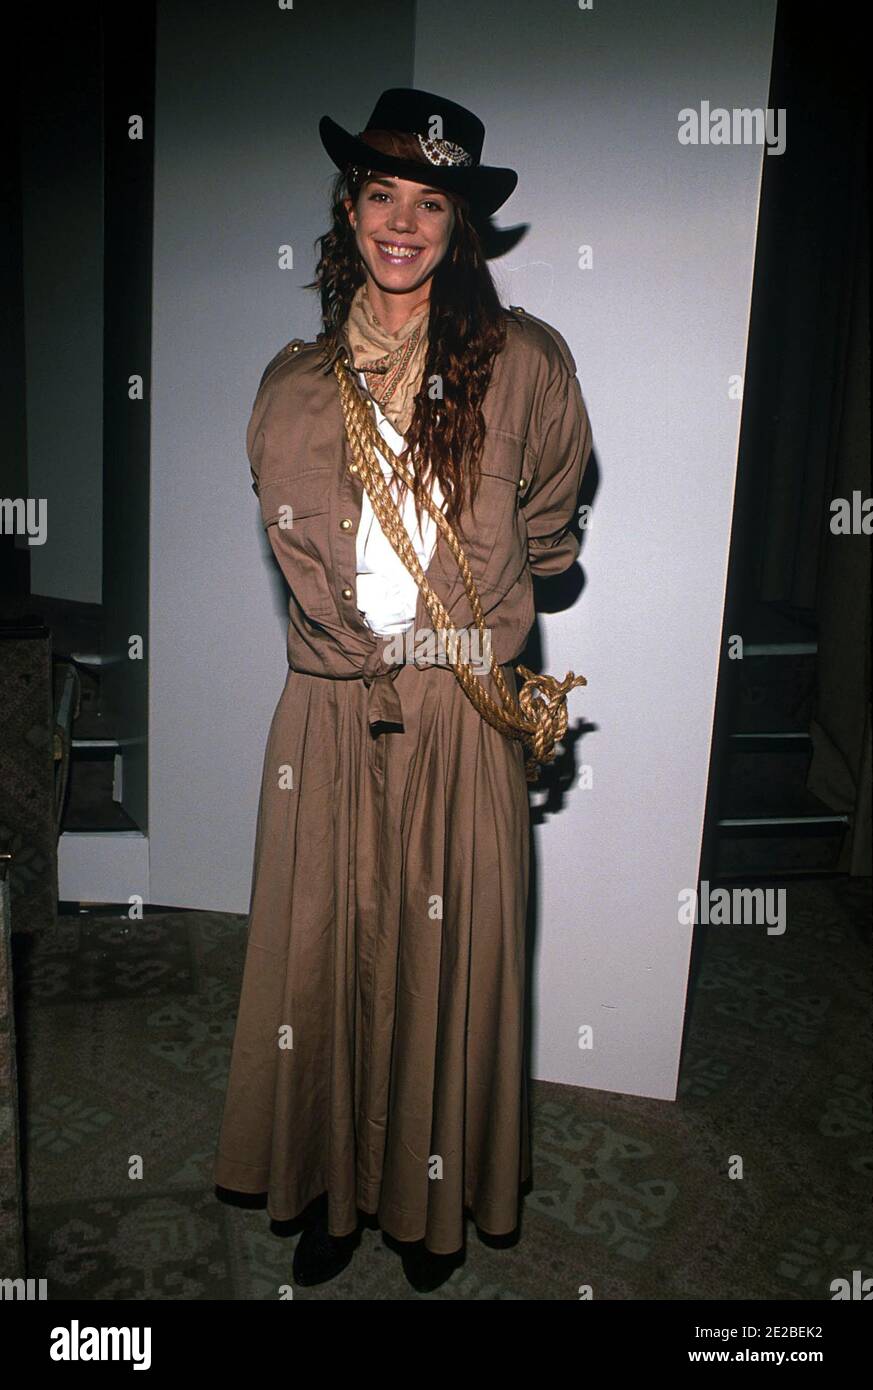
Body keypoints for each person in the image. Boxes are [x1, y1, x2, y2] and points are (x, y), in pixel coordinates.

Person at [213, 87, 593, 1293]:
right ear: (351, 206)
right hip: (327, 706)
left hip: (458, 713)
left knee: (441, 962)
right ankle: (325, 1186)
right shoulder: (291, 384)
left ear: (458, 225)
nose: (402, 222)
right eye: (383, 194)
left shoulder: (526, 365)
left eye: (431, 202)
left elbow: (549, 530)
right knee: (321, 956)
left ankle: (426, 1200)